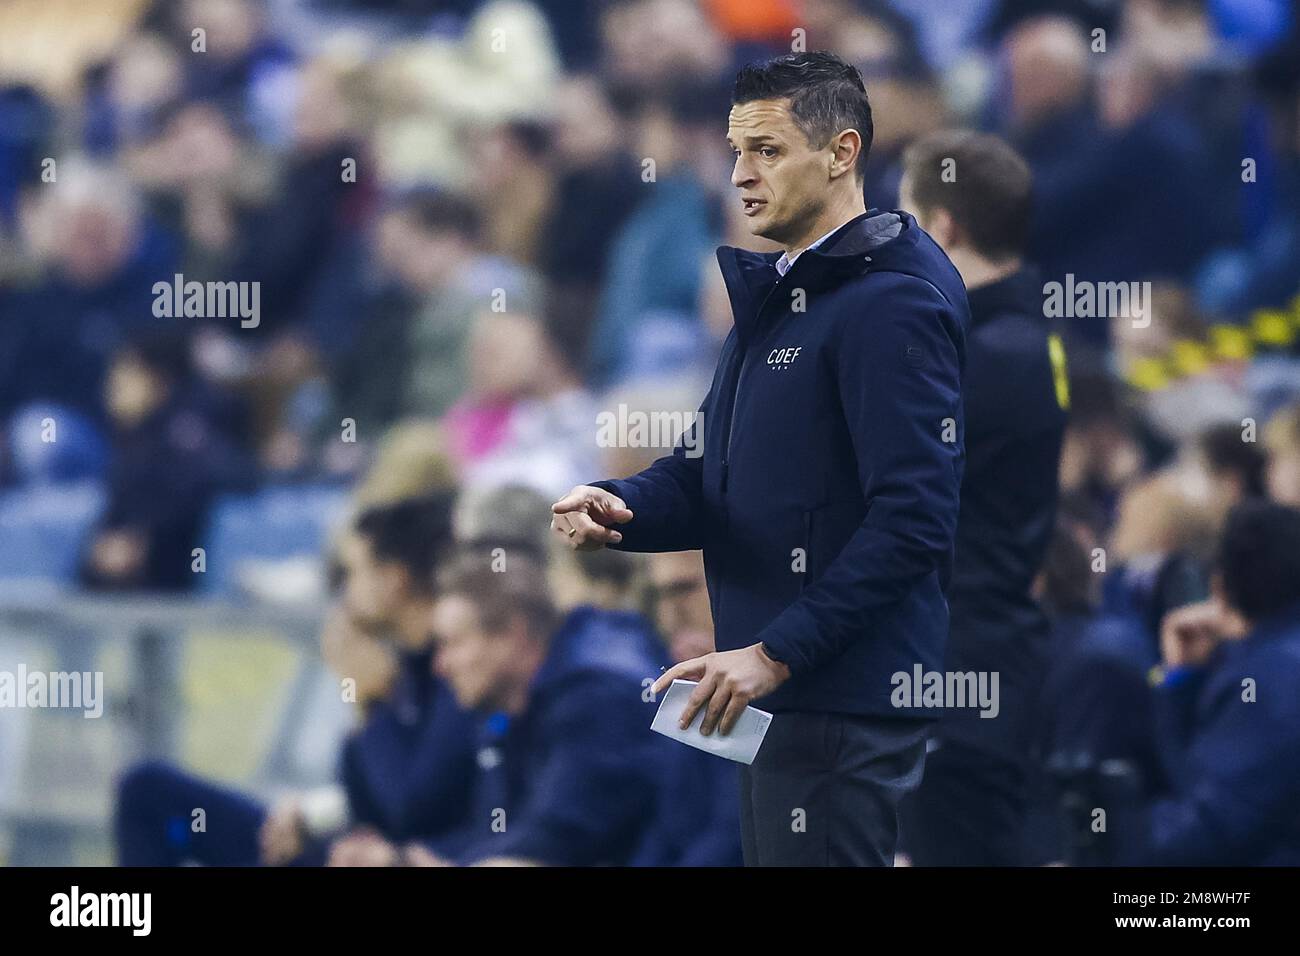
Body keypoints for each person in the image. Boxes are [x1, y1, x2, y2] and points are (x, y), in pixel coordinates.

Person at [551, 51, 969, 866]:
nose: (740, 174)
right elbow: (707, 467)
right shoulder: (787, 290)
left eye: (768, 151)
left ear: (842, 153)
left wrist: (776, 651)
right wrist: (619, 503)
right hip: (784, 704)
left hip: (835, 710)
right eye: (736, 150)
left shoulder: (893, 302)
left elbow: (916, 518)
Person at [115, 496, 478, 865]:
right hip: (355, 851)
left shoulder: (458, 672)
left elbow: (412, 814)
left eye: (353, 573)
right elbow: (371, 804)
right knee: (149, 792)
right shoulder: (407, 666)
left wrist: (374, 704)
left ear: (393, 580)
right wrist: (308, 818)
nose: (344, 593)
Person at [893, 130, 1067, 864]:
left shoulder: (985, 356)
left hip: (958, 683)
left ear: (943, 227)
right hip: (968, 665)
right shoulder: (1021, 342)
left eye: (902, 221)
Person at [406, 551, 675, 866]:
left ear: (512, 635)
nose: (440, 666)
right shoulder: (510, 708)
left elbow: (560, 833)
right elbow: (506, 829)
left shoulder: (596, 695)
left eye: (453, 643)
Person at [1111, 500, 1300, 865]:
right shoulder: (1272, 661)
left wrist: (1100, 852)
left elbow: (1205, 830)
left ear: (1221, 586)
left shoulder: (1271, 677)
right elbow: (1204, 786)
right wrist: (1182, 677)